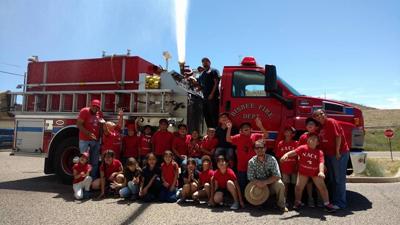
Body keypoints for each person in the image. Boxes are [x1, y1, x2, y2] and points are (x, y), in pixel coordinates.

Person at [280, 134, 336, 212]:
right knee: (298, 188)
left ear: (317, 143)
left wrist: (321, 172)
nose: (310, 140)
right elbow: (294, 152)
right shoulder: (302, 148)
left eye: (313, 139)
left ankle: (327, 204)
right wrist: (286, 155)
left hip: (315, 172)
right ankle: (297, 202)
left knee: (322, 188)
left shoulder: (319, 152)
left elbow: (321, 163)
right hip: (303, 172)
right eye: (309, 139)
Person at [313, 109, 350, 209]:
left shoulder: (331, 122)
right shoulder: (321, 127)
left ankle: (341, 203)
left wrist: (337, 151)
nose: (319, 116)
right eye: (316, 115)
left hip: (338, 154)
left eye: (321, 114)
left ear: (325, 114)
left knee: (339, 179)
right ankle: (334, 200)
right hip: (329, 155)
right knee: (333, 179)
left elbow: (338, 136)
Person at [226, 117, 268, 192]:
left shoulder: (255, 136)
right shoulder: (238, 137)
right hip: (241, 167)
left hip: (253, 167)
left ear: (251, 129)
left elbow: (266, 135)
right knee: (242, 186)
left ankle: (251, 201)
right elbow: (228, 139)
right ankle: (242, 201)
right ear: (241, 131)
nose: (246, 128)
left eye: (248, 127)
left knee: (252, 187)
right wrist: (229, 128)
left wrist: (260, 126)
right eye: (243, 128)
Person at [247, 140, 288, 212]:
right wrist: (258, 182)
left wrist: (265, 182)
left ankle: (281, 205)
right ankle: (259, 202)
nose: (259, 150)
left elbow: (277, 176)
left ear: (265, 148)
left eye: (261, 147)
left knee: (280, 184)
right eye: (257, 148)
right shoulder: (251, 162)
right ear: (254, 150)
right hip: (258, 186)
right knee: (255, 189)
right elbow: (250, 177)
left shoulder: (272, 159)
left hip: (270, 184)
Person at [76, 99, 104, 179]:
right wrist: (88, 134)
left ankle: (92, 179)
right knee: (84, 161)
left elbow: (101, 126)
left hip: (96, 141)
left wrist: (101, 138)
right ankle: (81, 180)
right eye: (93, 105)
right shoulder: (84, 111)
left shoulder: (100, 114)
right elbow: (79, 124)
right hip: (85, 140)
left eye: (97, 106)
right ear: (90, 105)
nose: (95, 108)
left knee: (94, 162)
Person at [298, 117, 322, 207]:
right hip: (305, 163)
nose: (310, 125)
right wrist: (299, 160)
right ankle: (310, 199)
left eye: (312, 124)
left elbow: (320, 150)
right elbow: (298, 150)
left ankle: (320, 199)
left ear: (315, 127)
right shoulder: (303, 137)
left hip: (315, 162)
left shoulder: (318, 136)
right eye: (308, 124)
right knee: (309, 182)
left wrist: (322, 165)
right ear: (306, 126)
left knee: (319, 181)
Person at [275, 126, 299, 207]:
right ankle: (284, 200)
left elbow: (299, 156)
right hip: (284, 168)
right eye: (286, 131)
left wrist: (298, 166)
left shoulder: (296, 143)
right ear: (284, 133)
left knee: (296, 184)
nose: (288, 133)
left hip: (294, 168)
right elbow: (278, 156)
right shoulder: (280, 143)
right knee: (285, 184)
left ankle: (297, 200)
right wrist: (279, 168)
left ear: (293, 134)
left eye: (290, 132)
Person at [197, 57, 220, 128]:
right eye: (203, 62)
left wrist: (212, 94)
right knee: (206, 115)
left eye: (206, 61)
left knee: (214, 115)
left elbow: (216, 83)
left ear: (209, 62)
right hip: (205, 98)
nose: (204, 63)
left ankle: (216, 131)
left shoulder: (214, 71)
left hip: (213, 98)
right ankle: (209, 131)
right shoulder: (201, 74)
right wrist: (197, 87)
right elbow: (200, 86)